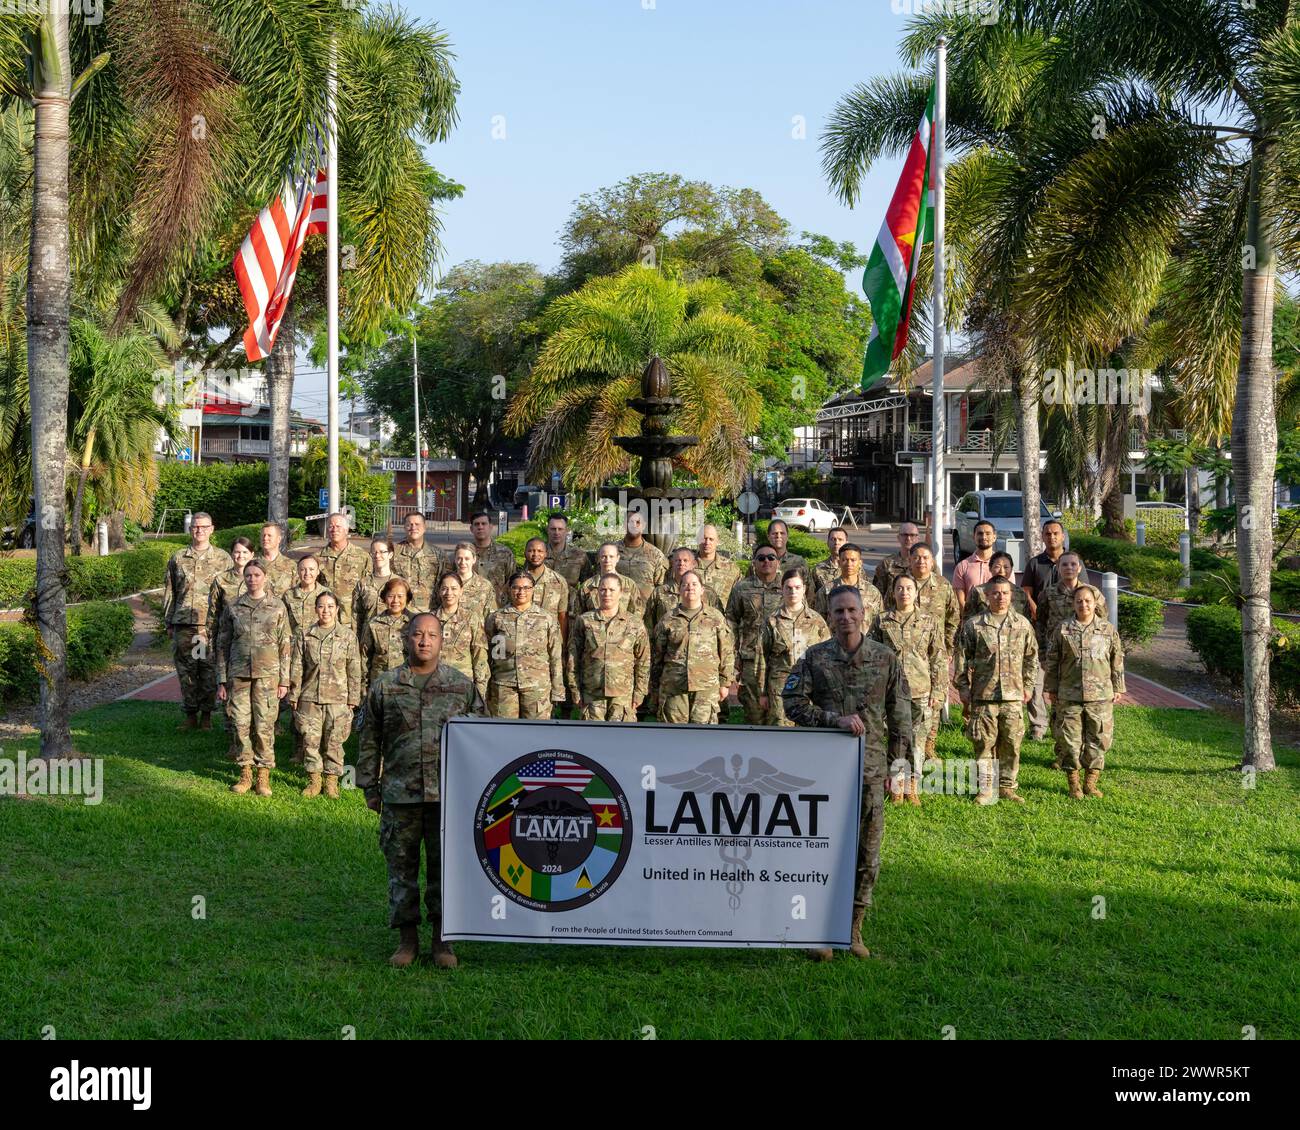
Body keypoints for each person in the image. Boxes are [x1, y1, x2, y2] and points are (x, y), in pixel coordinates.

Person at [783, 585, 912, 960]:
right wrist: (831, 720)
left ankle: (852, 930)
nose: (846, 617)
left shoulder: (885, 658)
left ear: (863, 613)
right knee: (822, 852)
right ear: (830, 615)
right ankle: (820, 930)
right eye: (838, 611)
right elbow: (792, 702)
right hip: (825, 772)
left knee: (865, 854)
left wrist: (898, 766)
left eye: (852, 610)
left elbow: (901, 715)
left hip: (871, 770)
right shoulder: (815, 658)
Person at [357, 613, 481, 969]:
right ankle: (407, 940)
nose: (424, 641)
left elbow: (482, 740)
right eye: (417, 635)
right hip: (400, 795)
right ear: (406, 639)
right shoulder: (385, 686)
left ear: (442, 641)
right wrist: (370, 785)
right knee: (402, 870)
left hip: (449, 797)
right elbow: (370, 739)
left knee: (446, 870)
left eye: (432, 635)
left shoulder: (462, 686)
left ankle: (443, 942)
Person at [953, 576, 1039, 806]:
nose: (1001, 597)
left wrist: (1028, 686)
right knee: (983, 743)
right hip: (984, 696)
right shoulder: (974, 625)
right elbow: (961, 658)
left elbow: (1032, 658)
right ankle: (985, 789)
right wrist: (963, 687)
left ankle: (1007, 786)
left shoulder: (1022, 624)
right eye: (996, 593)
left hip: (1013, 696)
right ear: (987, 595)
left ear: (1011, 596)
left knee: (1011, 743)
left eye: (1005, 593)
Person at [217, 559, 291, 797]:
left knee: (264, 726)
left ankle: (263, 775)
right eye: (248, 575)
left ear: (265, 577)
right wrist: (221, 679)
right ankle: (245, 771)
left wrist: (284, 680)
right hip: (238, 674)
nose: (252, 579)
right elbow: (222, 644)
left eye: (257, 575)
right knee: (240, 724)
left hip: (268, 676)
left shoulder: (277, 606)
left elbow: (285, 645)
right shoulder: (233, 607)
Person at [1044, 584, 1125, 800]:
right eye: (1079, 601)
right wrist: (1051, 688)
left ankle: (1091, 782)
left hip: (1100, 696)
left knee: (1098, 740)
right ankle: (1073, 784)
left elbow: (1116, 660)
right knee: (1069, 742)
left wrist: (1118, 687)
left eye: (1087, 600)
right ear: (1073, 604)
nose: (1083, 604)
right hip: (1069, 695)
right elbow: (1052, 662)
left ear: (1095, 603)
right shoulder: (1063, 629)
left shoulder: (1107, 630)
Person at [869, 574, 944, 805]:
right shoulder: (882, 621)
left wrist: (938, 692)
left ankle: (913, 785)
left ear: (915, 592)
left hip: (920, 690)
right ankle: (896, 786)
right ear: (893, 592)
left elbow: (938, 657)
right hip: (890, 691)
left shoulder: (928, 621)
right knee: (894, 738)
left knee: (916, 740)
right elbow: (871, 655)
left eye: (909, 588)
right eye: (899, 588)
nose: (904, 592)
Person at [162, 511, 233, 731]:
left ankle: (207, 717)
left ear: (212, 529)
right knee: (187, 672)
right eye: (195, 526)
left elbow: (230, 592)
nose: (199, 530)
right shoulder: (178, 557)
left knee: (208, 671)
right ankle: (190, 714)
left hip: (209, 627)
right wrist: (169, 622)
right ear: (190, 529)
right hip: (184, 625)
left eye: (203, 526)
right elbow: (170, 591)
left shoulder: (223, 559)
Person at [288, 590, 361, 799]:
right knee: (310, 741)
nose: (326, 611)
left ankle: (331, 781)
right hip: (309, 697)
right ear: (315, 609)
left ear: (337, 609)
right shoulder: (306, 634)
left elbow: (354, 669)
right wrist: (294, 694)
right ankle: (314, 780)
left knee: (334, 742)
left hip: (338, 698)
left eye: (330, 606)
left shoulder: (347, 636)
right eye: (321, 606)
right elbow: (297, 667)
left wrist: (353, 699)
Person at [901, 543, 960, 761]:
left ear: (932, 561)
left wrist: (948, 647)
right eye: (916, 557)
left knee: (934, 701)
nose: (921, 561)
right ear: (910, 560)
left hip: (935, 654)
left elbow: (953, 618)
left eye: (925, 557)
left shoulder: (943, 586)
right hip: (907, 653)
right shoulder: (901, 585)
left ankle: (929, 745)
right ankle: (905, 743)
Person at [650, 571, 734, 724]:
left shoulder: (715, 618)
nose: (690, 588)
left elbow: (726, 652)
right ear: (679, 590)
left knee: (704, 737)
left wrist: (725, 683)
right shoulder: (668, 619)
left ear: (702, 589)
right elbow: (656, 656)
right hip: (673, 687)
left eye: (694, 584)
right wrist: (655, 687)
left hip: (706, 686)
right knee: (673, 735)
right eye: (685, 584)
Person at [566, 573, 651, 721]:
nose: (607, 594)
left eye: (612, 590)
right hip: (592, 693)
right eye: (603, 590)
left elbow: (643, 660)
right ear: (598, 592)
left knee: (622, 740)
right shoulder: (585, 621)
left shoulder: (634, 624)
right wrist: (575, 689)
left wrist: (640, 692)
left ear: (621, 592)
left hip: (623, 695)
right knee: (591, 739)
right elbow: (573, 658)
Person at [483, 572, 565, 718]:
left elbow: (555, 655)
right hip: (504, 686)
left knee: (536, 735)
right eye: (516, 588)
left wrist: (558, 689)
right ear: (509, 589)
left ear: (533, 589)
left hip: (537, 687)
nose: (521, 592)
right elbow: (488, 655)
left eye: (526, 588)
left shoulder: (546, 618)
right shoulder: (496, 618)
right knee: (504, 733)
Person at [1035, 550, 1086, 767]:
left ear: (1080, 568)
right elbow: (1040, 623)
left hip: (1084, 661)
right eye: (1065, 565)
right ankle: (1062, 753)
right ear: (1058, 568)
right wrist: (1043, 654)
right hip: (1057, 660)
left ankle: (1083, 752)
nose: (1069, 568)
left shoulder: (1090, 594)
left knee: (1085, 707)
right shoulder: (1048, 594)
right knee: (1058, 708)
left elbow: (1101, 625)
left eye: (1073, 564)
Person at [760, 570, 829, 727]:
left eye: (797, 587)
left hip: (810, 688)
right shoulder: (772, 621)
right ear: (782, 589)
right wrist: (763, 693)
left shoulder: (816, 621)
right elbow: (762, 658)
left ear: (804, 589)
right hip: (780, 688)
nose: (793, 591)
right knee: (780, 734)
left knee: (808, 732)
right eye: (788, 587)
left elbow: (827, 658)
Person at [726, 544, 785, 724]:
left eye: (771, 558)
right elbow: (731, 621)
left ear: (778, 562)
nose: (766, 561)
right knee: (753, 713)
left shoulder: (788, 587)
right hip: (751, 659)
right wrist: (734, 655)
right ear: (754, 562)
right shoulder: (742, 588)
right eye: (761, 558)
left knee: (780, 714)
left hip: (780, 660)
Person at [208, 537, 256, 758]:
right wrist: (212, 638)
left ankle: (253, 739)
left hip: (254, 646)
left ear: (252, 555)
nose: (240, 556)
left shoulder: (260, 577)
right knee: (228, 690)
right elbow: (214, 615)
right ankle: (233, 739)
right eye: (237, 552)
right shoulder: (221, 580)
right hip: (228, 643)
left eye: (245, 553)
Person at [1020, 518, 1067, 740]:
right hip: (1039, 631)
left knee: (1063, 681)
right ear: (1042, 536)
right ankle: (1038, 726)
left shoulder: (1072, 562)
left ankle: (1061, 725)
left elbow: (1083, 591)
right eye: (1047, 533)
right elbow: (1026, 591)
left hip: (1066, 634)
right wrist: (1034, 607)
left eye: (1055, 533)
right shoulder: (1034, 563)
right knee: (1036, 681)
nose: (1052, 537)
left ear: (1063, 536)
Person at [434, 572, 490, 703]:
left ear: (461, 591)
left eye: (454, 588)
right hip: (434, 686)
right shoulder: (431, 620)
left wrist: (480, 690)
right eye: (444, 588)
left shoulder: (471, 618)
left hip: (463, 686)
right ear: (439, 591)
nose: (449, 593)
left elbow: (479, 655)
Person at [359, 577, 415, 691]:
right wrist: (363, 689)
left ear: (407, 598)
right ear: (384, 598)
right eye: (390, 596)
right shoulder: (374, 624)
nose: (395, 601)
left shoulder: (416, 622)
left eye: (400, 596)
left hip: (408, 687)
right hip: (380, 686)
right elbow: (364, 658)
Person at [317, 512, 370, 628]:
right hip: (326, 621)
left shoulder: (362, 557)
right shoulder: (317, 558)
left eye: (338, 526)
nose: (334, 529)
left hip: (353, 621)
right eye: (331, 526)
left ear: (346, 530)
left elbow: (369, 590)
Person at [645, 546, 719, 629]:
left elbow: (718, 620)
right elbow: (648, 622)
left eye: (685, 560)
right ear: (672, 563)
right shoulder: (659, 592)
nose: (681, 563)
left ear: (694, 564)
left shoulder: (708, 593)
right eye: (678, 560)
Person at [570, 542, 645, 619]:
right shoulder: (587, 587)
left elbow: (637, 614)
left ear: (618, 558)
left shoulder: (629, 585)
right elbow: (578, 617)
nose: (607, 560)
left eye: (611, 556)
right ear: (598, 558)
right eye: (604, 556)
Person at [616, 509, 669, 610]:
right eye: (630, 521)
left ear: (643, 525)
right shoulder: (611, 552)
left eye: (638, 522)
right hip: (616, 615)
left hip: (644, 614)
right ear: (624, 525)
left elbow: (661, 590)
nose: (634, 525)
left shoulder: (656, 555)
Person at [814, 542, 883, 619]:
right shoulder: (826, 591)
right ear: (839, 563)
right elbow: (818, 622)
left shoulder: (873, 592)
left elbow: (879, 621)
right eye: (845, 560)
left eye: (853, 560)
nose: (849, 564)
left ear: (860, 563)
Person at [353, 536, 401, 639]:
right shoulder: (362, 584)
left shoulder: (400, 583)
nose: (377, 555)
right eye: (374, 552)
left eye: (382, 552)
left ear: (390, 555)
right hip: (368, 641)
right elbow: (356, 616)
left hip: (394, 641)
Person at [392, 511, 442, 611]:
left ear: (424, 527)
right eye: (409, 524)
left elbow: (445, 581)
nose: (413, 527)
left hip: (429, 610)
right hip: (401, 610)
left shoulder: (438, 554)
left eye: (417, 524)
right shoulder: (393, 552)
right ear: (404, 527)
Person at [523, 536, 569, 637]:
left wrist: (564, 645)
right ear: (525, 553)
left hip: (550, 638)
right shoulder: (517, 581)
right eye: (531, 551)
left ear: (546, 554)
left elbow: (562, 616)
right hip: (523, 638)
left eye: (540, 551)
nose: (535, 554)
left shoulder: (558, 581)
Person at [962, 551, 1030, 620]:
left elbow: (1027, 620)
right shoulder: (978, 591)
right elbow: (967, 619)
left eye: (1006, 567)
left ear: (1011, 569)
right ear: (990, 569)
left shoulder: (1021, 593)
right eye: (997, 567)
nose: (1002, 571)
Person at [468, 510, 517, 602]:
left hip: (497, 605)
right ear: (471, 528)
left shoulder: (505, 553)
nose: (480, 527)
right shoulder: (465, 553)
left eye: (484, 524)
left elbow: (512, 579)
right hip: (471, 605)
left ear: (490, 527)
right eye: (477, 524)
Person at [447, 542, 498, 625]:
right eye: (459, 558)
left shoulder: (485, 586)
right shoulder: (446, 583)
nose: (462, 562)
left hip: (477, 635)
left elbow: (491, 617)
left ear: (474, 560)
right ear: (455, 560)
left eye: (467, 559)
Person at [952, 520, 996, 612]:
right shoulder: (962, 566)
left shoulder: (1003, 566)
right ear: (974, 537)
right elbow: (960, 600)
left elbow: (1010, 594)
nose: (984, 537)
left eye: (988, 533)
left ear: (994, 537)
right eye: (980, 533)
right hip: (971, 621)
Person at [872, 521, 922, 600]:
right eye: (905, 535)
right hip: (893, 611)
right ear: (898, 538)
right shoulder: (887, 563)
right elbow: (877, 594)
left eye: (912, 535)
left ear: (918, 538)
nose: (908, 538)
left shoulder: (926, 564)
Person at [695, 523, 742, 606]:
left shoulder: (731, 569)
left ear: (717, 541)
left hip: (720, 617)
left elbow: (740, 598)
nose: (707, 542)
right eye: (704, 538)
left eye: (711, 539)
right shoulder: (685, 565)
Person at [543, 511, 590, 588]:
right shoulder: (538, 553)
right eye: (553, 529)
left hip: (569, 599)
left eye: (560, 529)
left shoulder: (579, 555)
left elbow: (588, 585)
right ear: (547, 530)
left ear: (567, 530)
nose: (556, 532)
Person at [765, 519, 808, 584]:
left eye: (782, 533)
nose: (778, 536)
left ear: (787, 536)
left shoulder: (799, 562)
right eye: (774, 533)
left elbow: (809, 591)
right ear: (768, 537)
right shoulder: (759, 563)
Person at [811, 526, 849, 596]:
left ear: (846, 543)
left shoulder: (854, 568)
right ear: (828, 543)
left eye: (840, 539)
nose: (836, 542)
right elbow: (811, 597)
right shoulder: (818, 569)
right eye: (833, 539)